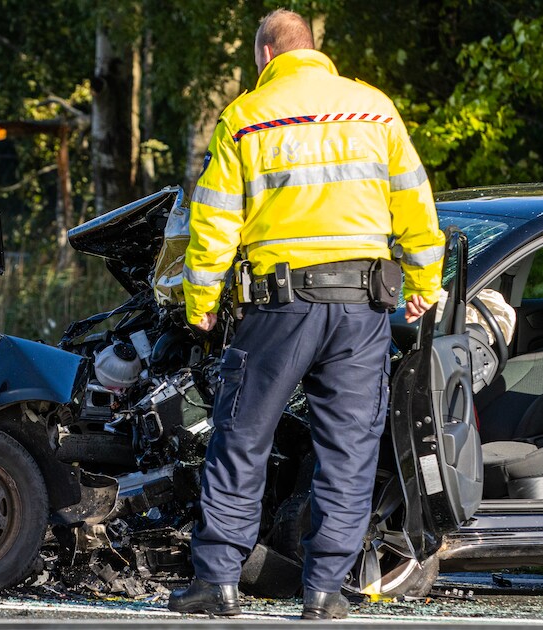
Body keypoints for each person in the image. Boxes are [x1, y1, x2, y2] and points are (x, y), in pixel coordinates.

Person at [167, 8, 445, 620]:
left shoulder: (245, 116)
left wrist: (203, 302)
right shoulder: (376, 110)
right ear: (315, 49)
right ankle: (324, 591)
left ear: (266, 55)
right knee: (348, 451)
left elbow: (212, 220)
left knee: (243, 438)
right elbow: (416, 207)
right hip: (360, 308)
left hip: (278, 307)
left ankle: (218, 582)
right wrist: (423, 282)